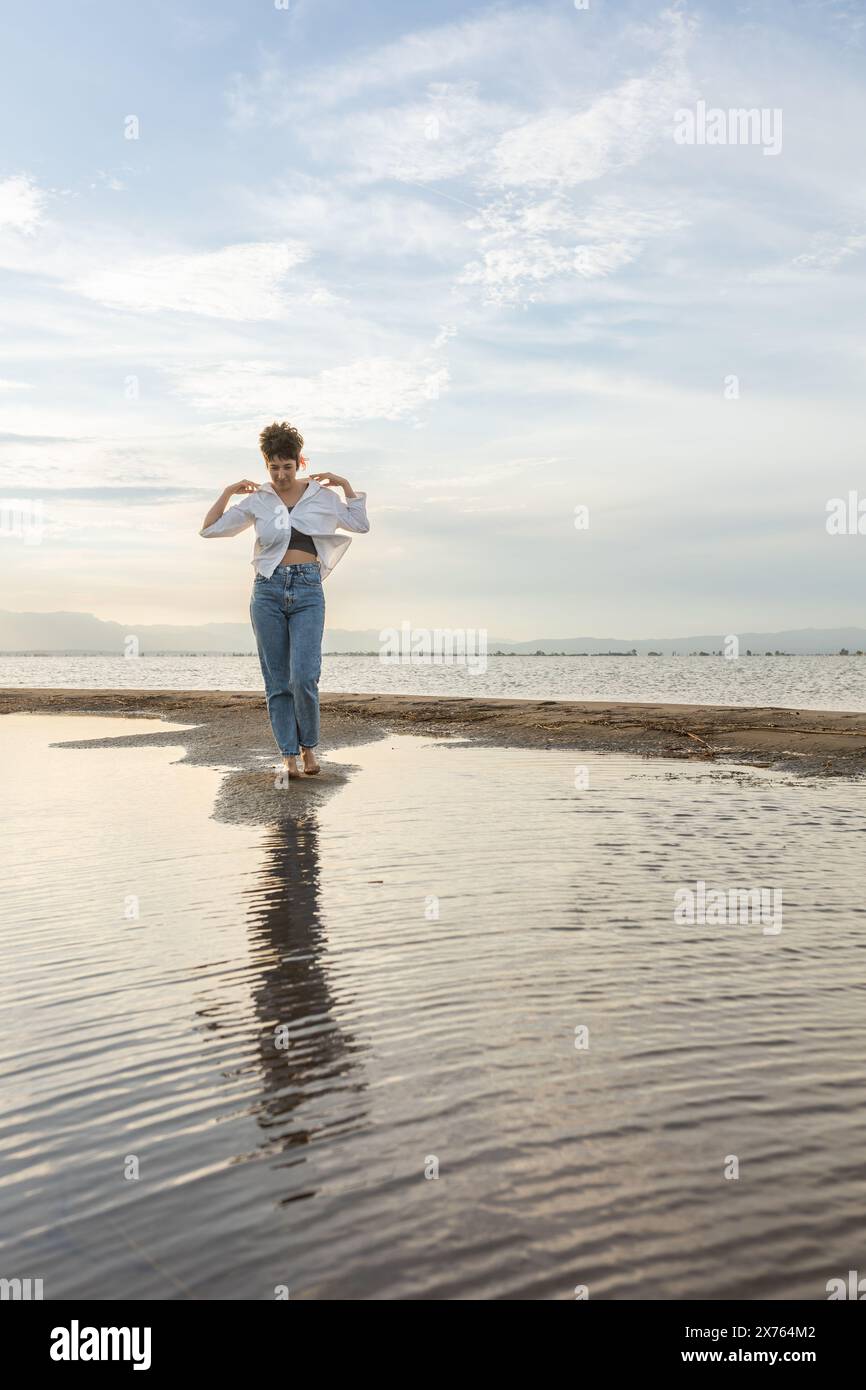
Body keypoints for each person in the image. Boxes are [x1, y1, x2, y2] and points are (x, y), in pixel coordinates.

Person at [199, 420, 369, 778]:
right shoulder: (259, 499)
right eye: (273, 467)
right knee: (277, 680)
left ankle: (309, 748)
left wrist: (346, 485)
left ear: (300, 463)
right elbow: (210, 529)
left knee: (304, 677)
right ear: (266, 465)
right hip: (267, 591)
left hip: (308, 589)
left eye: (287, 467)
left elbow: (359, 523)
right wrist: (229, 491)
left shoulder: (322, 497)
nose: (280, 475)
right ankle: (289, 755)